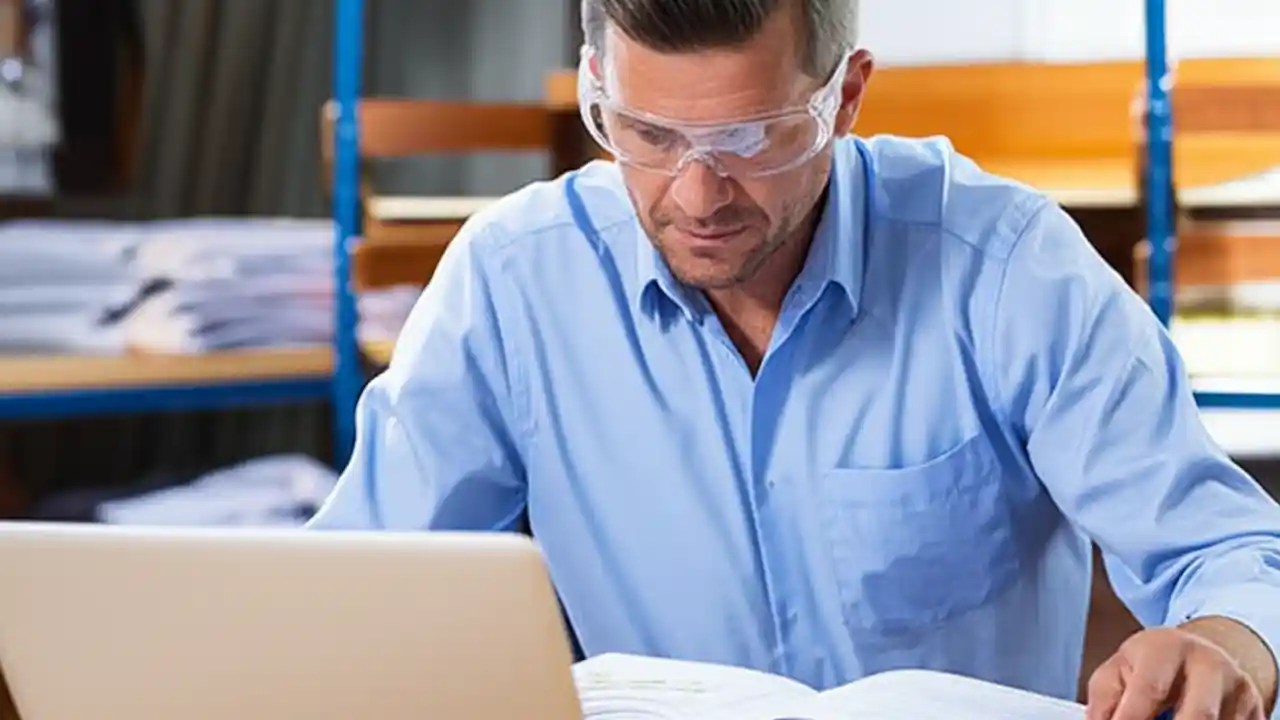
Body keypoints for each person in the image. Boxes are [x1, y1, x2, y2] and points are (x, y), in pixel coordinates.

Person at [308, 1, 1280, 717]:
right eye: (644, 136)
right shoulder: (513, 281)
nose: (693, 195)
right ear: (598, 90)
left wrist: (1219, 641)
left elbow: (1225, 548)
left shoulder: (1001, 266)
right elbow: (357, 592)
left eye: (750, 141)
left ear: (844, 97)